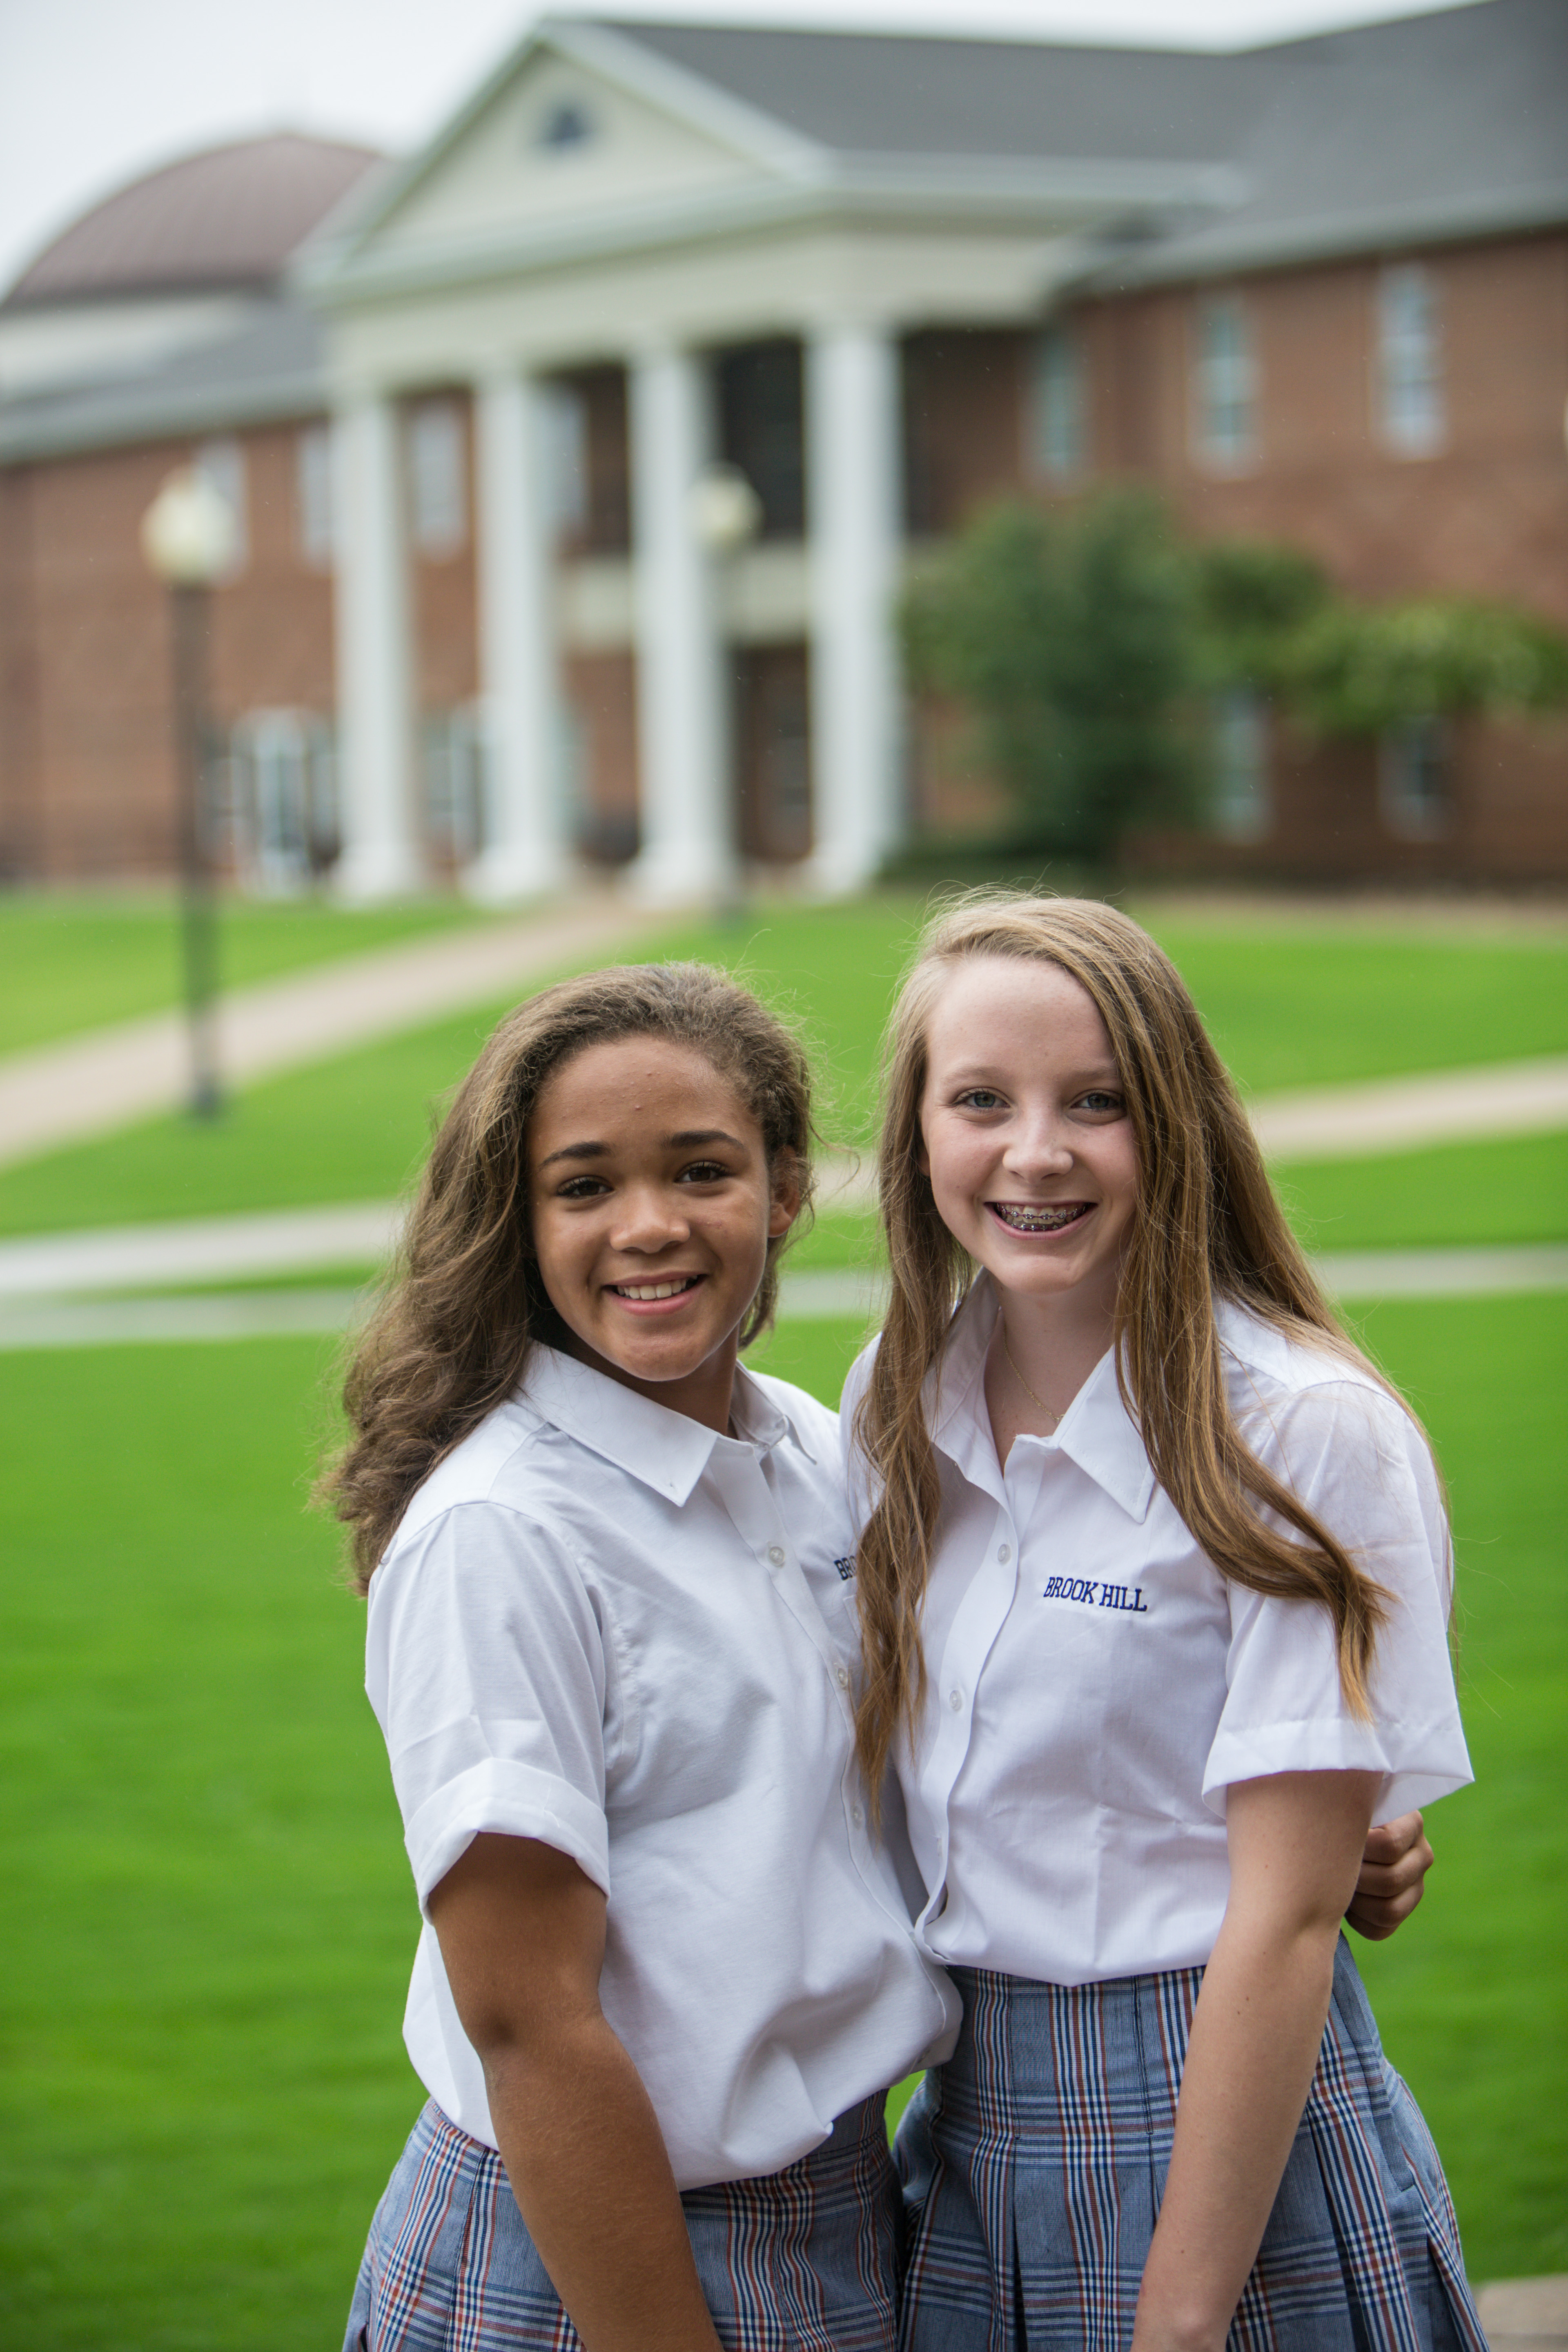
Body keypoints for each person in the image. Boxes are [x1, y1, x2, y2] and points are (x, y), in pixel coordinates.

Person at [841, 895, 1486, 2352]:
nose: (1035, 1152)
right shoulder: (894, 1399)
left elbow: (1289, 1911)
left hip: (1230, 2149)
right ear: (918, 1136)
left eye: (1099, 1103)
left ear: (1180, 1123)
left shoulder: (1306, 1432)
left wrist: (1180, 2325)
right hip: (965, 2135)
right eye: (981, 1102)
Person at [325, 962, 961, 2352]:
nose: (649, 1227)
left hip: (847, 2212)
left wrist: (1313, 1835)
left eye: (701, 1170)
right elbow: (529, 2023)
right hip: (595, 2264)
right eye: (584, 1186)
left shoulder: (808, 1449)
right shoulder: (501, 1535)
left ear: (786, 1189)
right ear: (521, 1220)